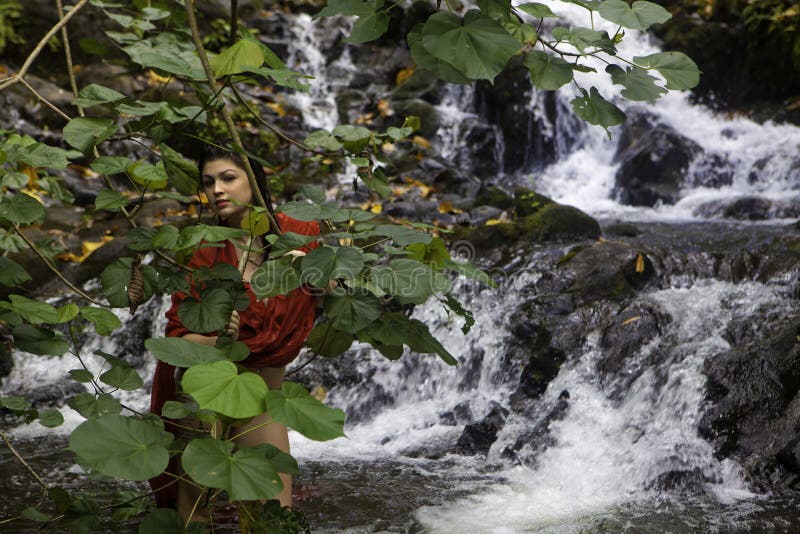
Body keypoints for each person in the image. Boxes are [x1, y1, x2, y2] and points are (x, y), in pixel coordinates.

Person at [148, 144, 320, 523]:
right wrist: (219, 338)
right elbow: (177, 342)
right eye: (209, 183)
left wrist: (312, 268)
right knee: (197, 516)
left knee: (274, 517)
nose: (217, 190)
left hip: (264, 403)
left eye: (228, 178)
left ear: (255, 183)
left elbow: (342, 285)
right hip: (206, 400)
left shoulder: (298, 234)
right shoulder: (203, 252)